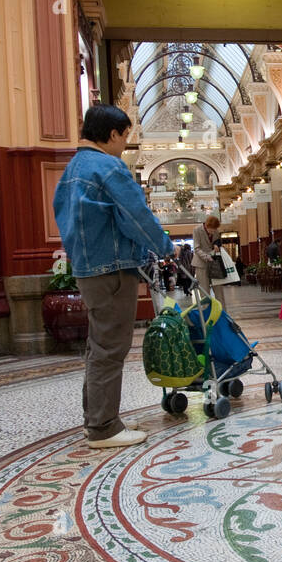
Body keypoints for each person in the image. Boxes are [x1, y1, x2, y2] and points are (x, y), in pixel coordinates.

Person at [53, 103, 175, 449]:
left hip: (88, 269)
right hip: (112, 269)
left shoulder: (73, 169)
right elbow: (135, 216)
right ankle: (104, 428)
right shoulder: (109, 167)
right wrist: (165, 246)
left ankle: (97, 418)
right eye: (125, 137)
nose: (124, 144)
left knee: (98, 345)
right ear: (111, 134)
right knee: (111, 347)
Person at [192, 214, 225, 293]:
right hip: (201, 264)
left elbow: (218, 242)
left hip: (215, 263)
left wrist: (216, 245)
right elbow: (197, 248)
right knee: (204, 290)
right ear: (207, 225)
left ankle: (221, 306)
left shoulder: (216, 231)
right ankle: (206, 306)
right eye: (212, 229)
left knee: (219, 290)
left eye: (215, 229)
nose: (213, 231)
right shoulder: (197, 230)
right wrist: (206, 257)